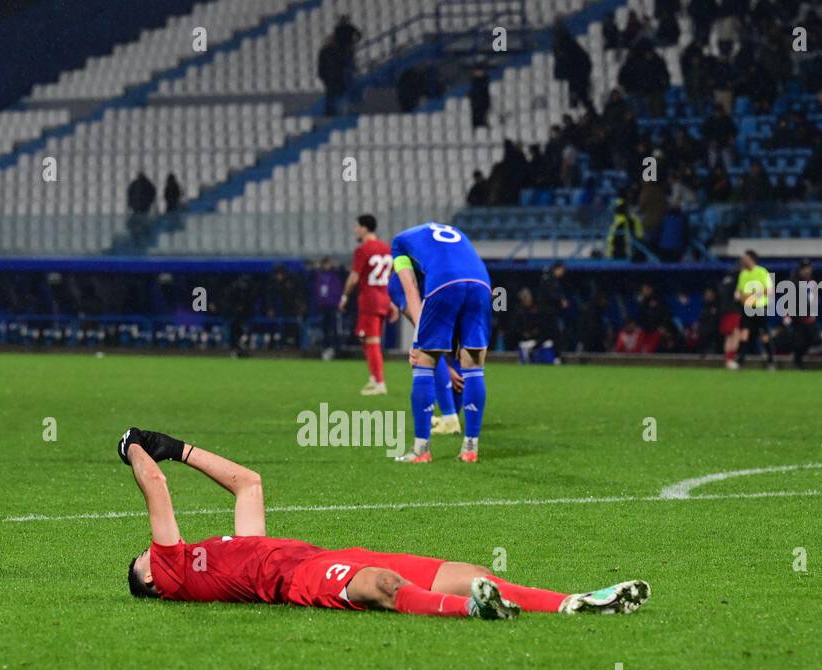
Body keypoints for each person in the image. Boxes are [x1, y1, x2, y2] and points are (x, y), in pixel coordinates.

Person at [119, 426, 650, 617]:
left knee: (467, 568)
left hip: (324, 557)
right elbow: (156, 488)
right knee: (382, 587)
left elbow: (249, 483)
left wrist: (180, 447)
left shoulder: (227, 551)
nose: (147, 549)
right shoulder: (172, 575)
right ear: (148, 579)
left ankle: (574, 602)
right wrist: (134, 447)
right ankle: (472, 612)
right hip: (296, 581)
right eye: (140, 557)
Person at [390, 221, 491, 463]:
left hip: (445, 282)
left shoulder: (398, 244)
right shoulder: (454, 232)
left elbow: (411, 289)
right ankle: (470, 449)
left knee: (424, 362)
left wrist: (417, 342)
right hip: (482, 283)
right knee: (474, 366)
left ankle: (421, 450)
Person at [388, 271, 460, 435]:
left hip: (424, 282)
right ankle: (446, 414)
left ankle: (449, 417)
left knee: (426, 341)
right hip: (446, 280)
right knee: (430, 338)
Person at [339, 214, 392, 395]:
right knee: (366, 338)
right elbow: (390, 276)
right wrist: (391, 302)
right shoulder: (387, 248)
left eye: (357, 226)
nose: (355, 230)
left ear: (364, 228)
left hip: (370, 299)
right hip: (383, 297)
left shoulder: (363, 250)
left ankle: (379, 383)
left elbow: (354, 277)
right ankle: (373, 378)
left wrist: (345, 296)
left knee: (372, 341)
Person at [733, 249, 776, 369]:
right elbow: (740, 293)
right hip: (747, 307)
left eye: (745, 258)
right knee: (744, 334)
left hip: (760, 307)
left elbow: (769, 290)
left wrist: (753, 295)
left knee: (763, 334)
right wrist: (744, 297)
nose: (743, 260)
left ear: (751, 259)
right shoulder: (743, 274)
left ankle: (770, 360)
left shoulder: (762, 272)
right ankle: (740, 361)